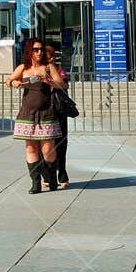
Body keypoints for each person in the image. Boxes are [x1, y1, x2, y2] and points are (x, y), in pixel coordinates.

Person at [8, 37, 65, 193]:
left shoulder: (48, 67)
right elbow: (9, 80)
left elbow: (62, 84)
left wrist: (49, 81)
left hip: (46, 113)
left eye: (41, 49)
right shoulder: (23, 68)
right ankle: (35, 183)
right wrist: (14, 83)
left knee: (48, 149)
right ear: (29, 52)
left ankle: (51, 178)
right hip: (27, 114)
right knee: (31, 149)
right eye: (36, 49)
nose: (39, 52)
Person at [45, 43, 73, 189]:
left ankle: (62, 175)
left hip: (58, 111)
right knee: (44, 145)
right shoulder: (36, 69)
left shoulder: (59, 70)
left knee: (61, 144)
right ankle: (47, 176)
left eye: (47, 55)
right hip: (43, 111)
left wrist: (49, 82)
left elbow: (65, 85)